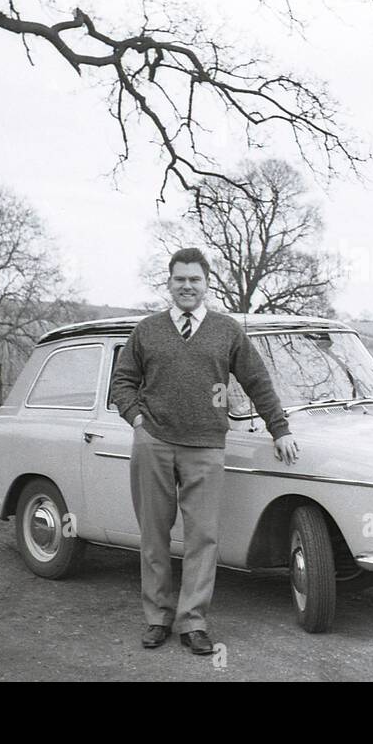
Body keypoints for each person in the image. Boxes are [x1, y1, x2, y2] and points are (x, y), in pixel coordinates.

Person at [108, 247, 300, 655]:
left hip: (207, 447)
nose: (187, 286)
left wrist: (279, 429)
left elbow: (258, 382)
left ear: (207, 283)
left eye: (195, 279)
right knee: (154, 536)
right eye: (180, 279)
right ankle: (157, 617)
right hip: (154, 444)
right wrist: (138, 422)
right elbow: (122, 382)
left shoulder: (226, 330)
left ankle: (192, 622)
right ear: (170, 283)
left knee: (203, 539)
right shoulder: (147, 330)